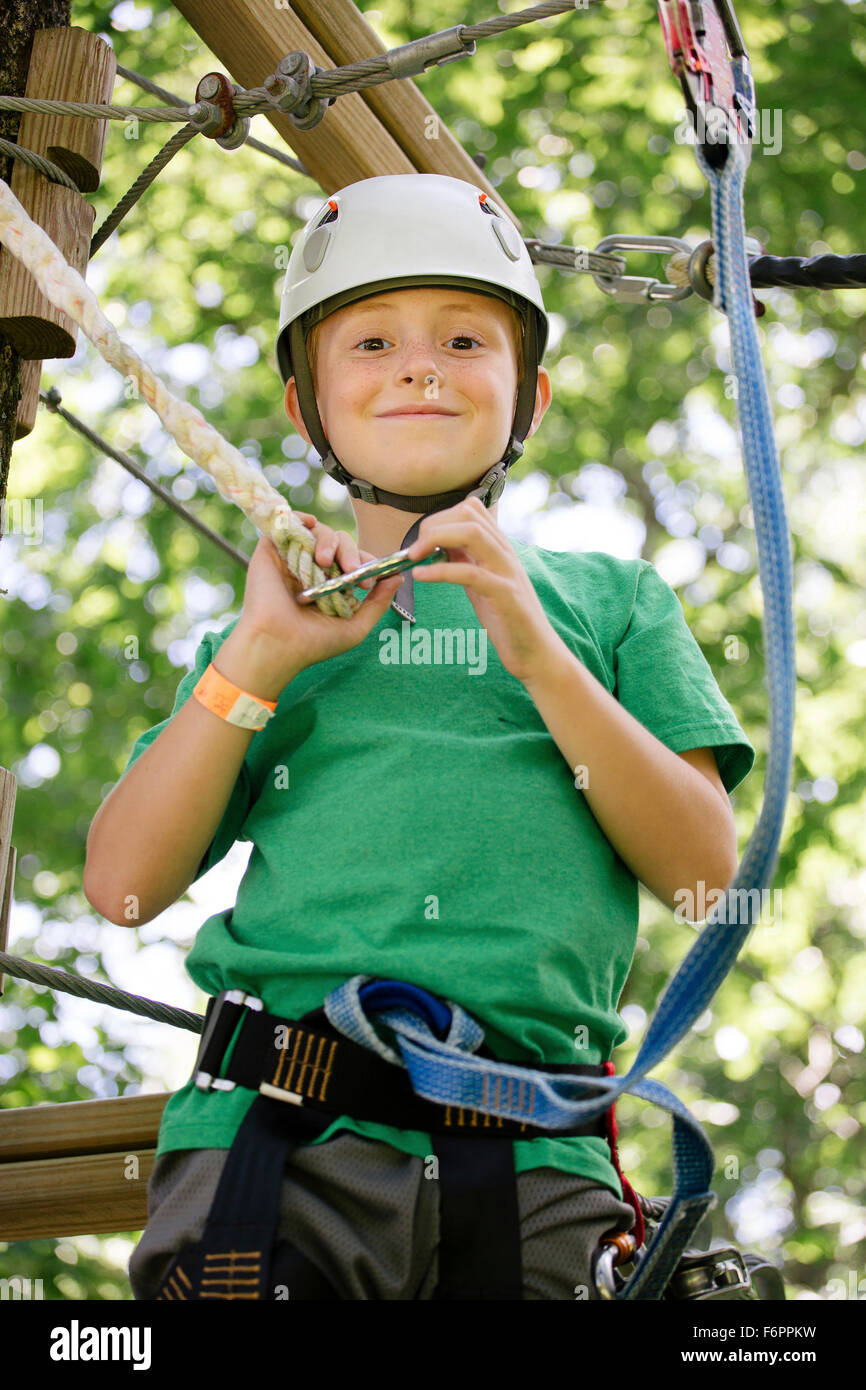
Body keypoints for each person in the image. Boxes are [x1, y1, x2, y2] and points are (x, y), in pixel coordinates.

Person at [83, 173, 755, 1300]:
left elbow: (700, 880)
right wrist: (256, 663)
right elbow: (124, 887)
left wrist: (536, 648)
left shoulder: (607, 601)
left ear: (526, 398)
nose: (417, 366)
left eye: (459, 337)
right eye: (371, 342)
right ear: (305, 407)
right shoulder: (273, 629)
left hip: (537, 1157)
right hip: (281, 1140)